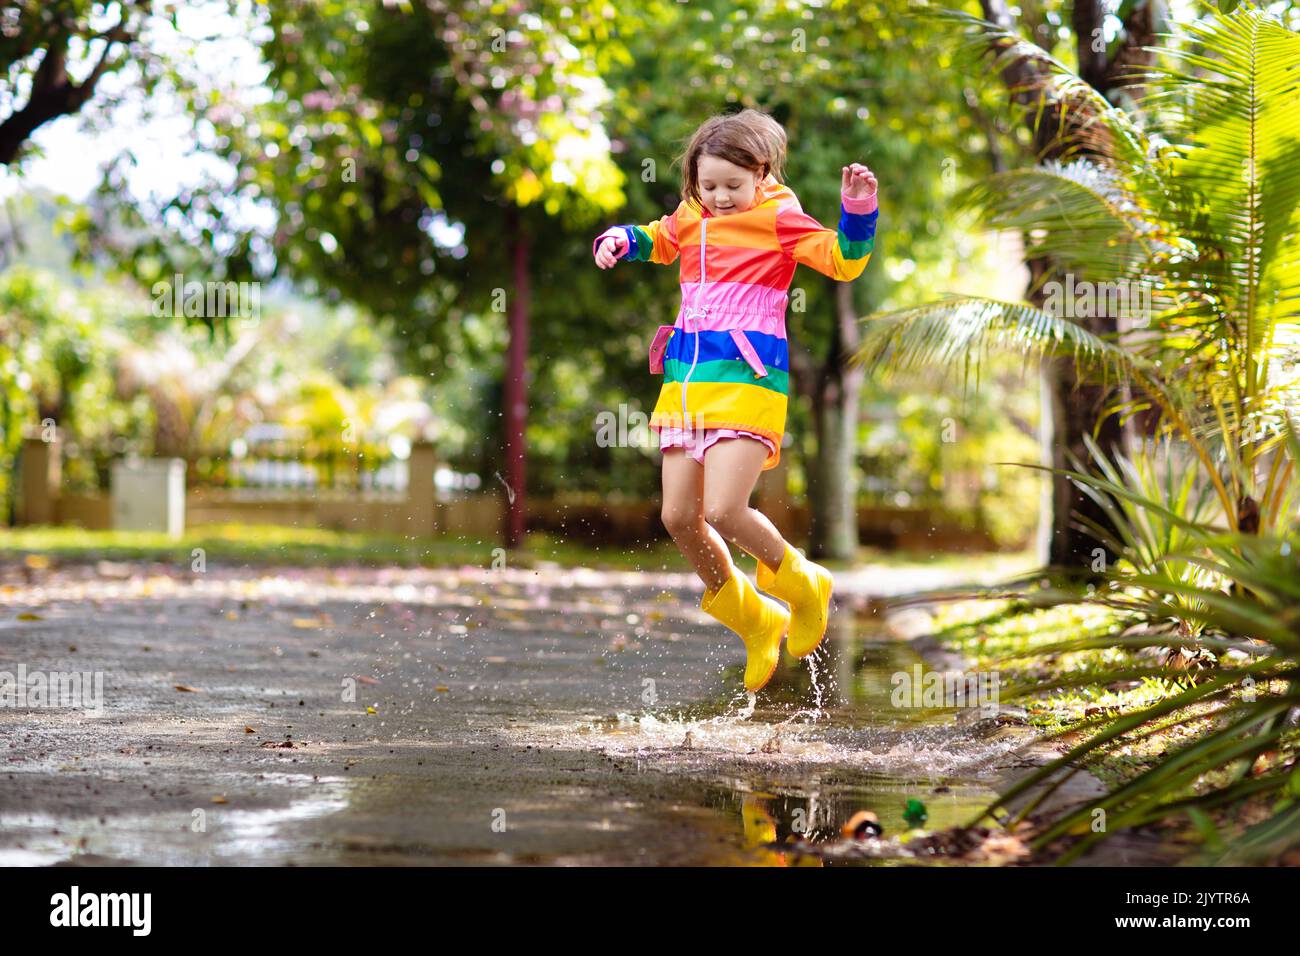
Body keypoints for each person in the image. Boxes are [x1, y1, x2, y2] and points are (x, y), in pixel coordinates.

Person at [592, 108, 879, 693]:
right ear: (694, 182)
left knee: (725, 509)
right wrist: (621, 239)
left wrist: (856, 212)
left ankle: (802, 581)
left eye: (733, 186)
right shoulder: (691, 214)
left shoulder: (781, 219)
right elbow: (659, 238)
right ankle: (753, 618)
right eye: (708, 186)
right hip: (687, 384)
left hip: (749, 382)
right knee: (678, 516)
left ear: (762, 173)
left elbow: (843, 261)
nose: (719, 198)